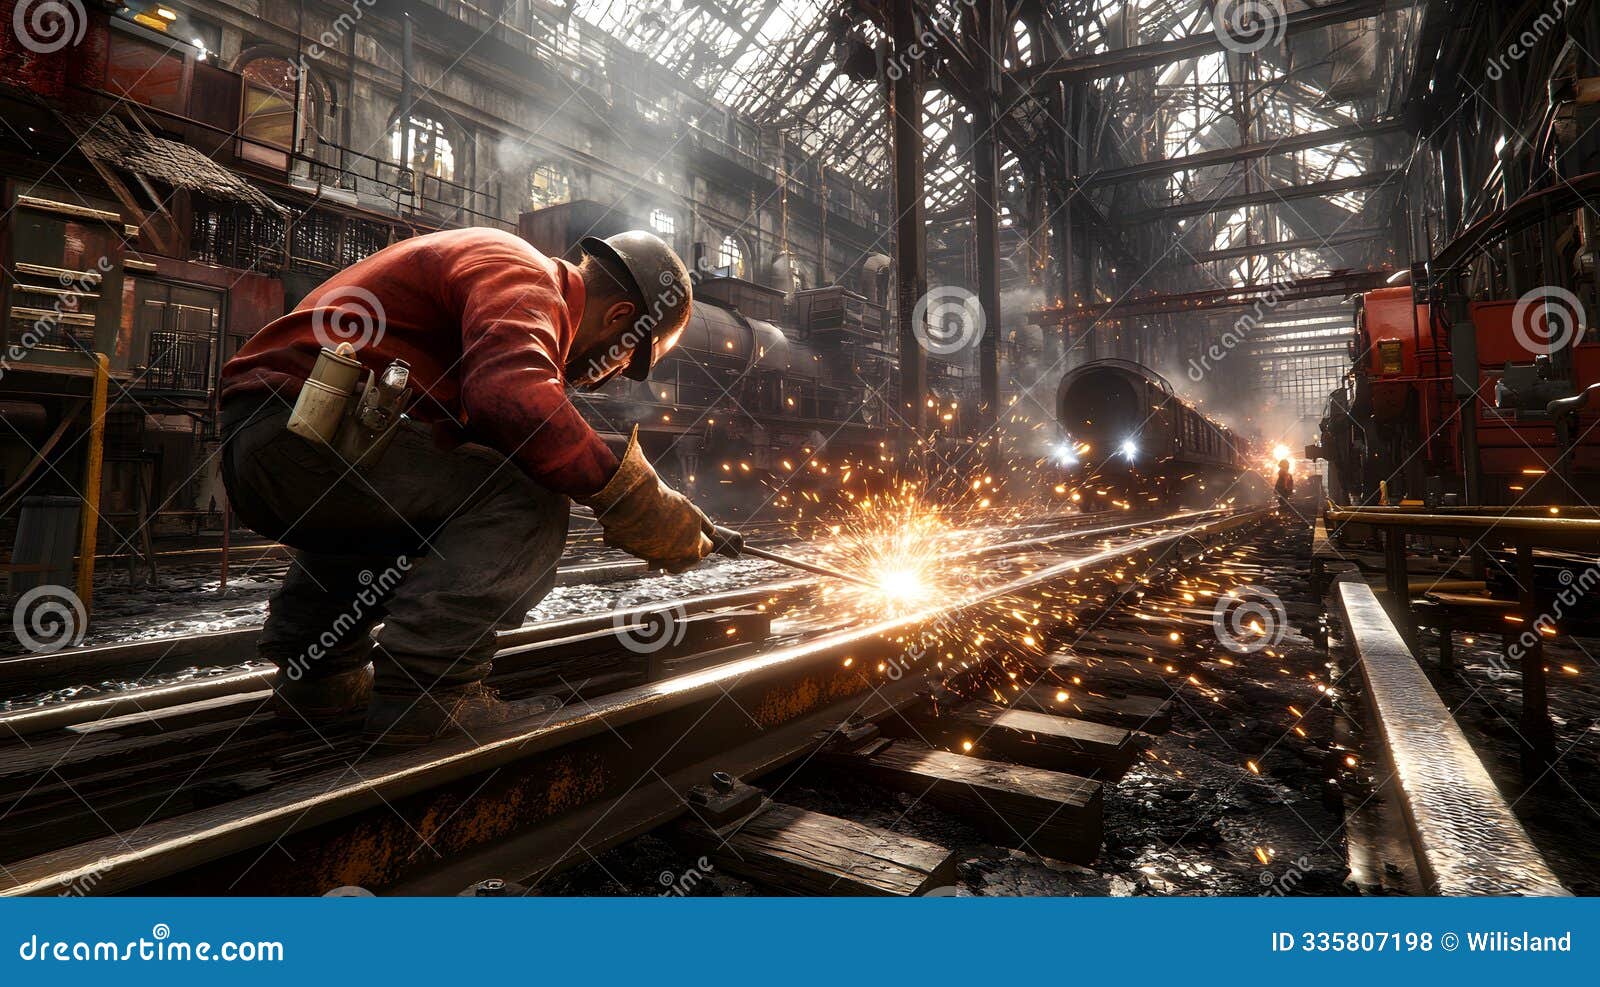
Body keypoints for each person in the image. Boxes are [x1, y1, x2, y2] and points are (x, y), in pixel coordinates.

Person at [218, 227, 731, 747]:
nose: (607, 376)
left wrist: (665, 505)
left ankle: (320, 675)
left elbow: (490, 429)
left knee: (435, 504)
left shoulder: (495, 279)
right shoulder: (526, 276)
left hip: (277, 447)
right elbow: (513, 397)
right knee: (526, 500)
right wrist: (630, 495)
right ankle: (428, 692)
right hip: (303, 437)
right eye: (625, 360)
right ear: (620, 317)